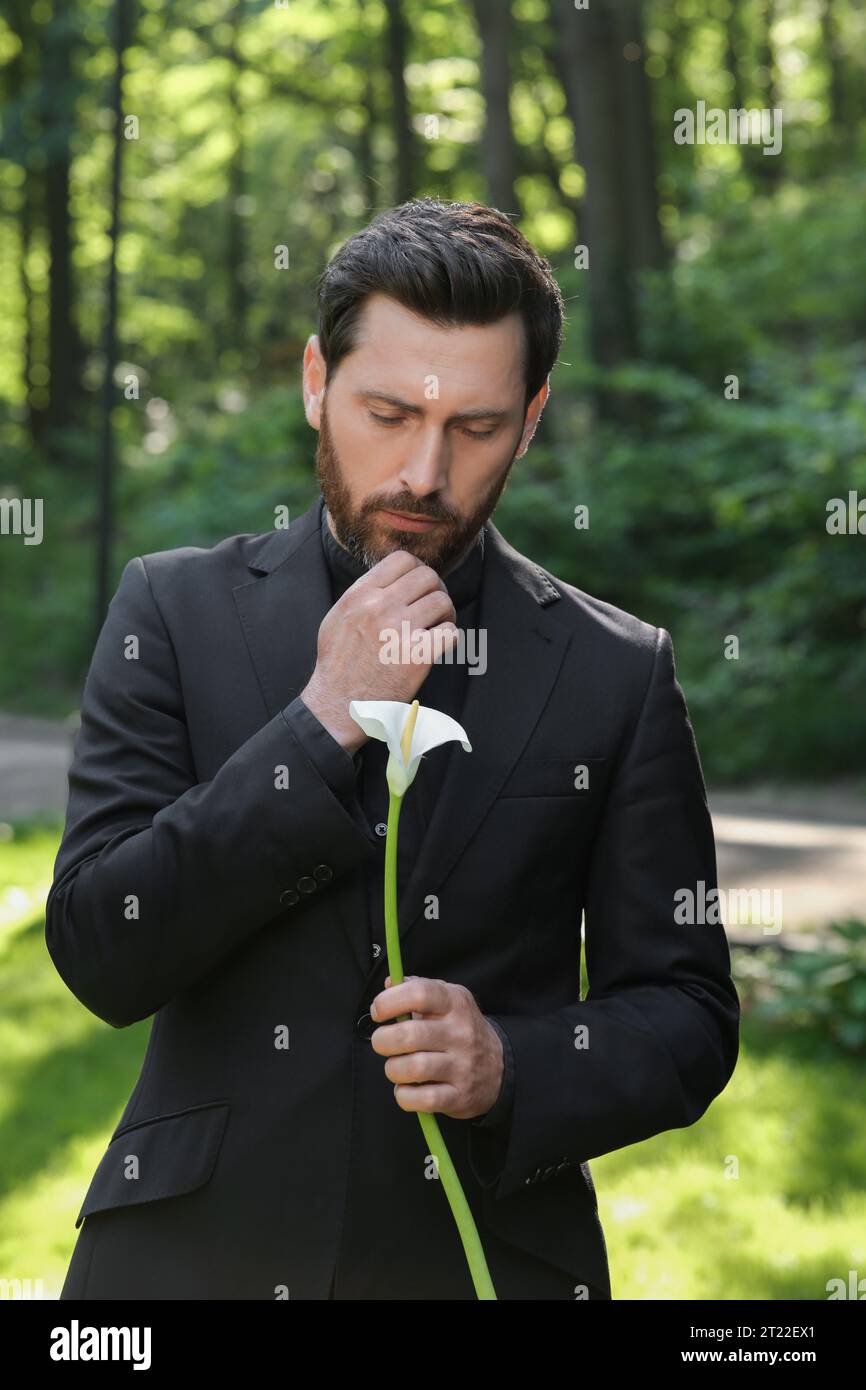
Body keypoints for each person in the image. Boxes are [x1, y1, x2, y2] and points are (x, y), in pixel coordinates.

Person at [48, 198, 739, 1301]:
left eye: (475, 426)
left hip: (484, 1262)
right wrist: (321, 715)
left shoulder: (618, 669)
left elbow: (688, 1016)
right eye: (386, 412)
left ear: (532, 417)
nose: (424, 472)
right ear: (316, 384)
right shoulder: (171, 608)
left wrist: (511, 1063)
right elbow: (98, 944)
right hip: (186, 1262)